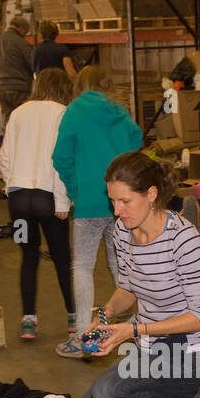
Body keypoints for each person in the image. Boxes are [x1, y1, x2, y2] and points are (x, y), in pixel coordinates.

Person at [64, 151, 200, 398]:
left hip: (190, 354)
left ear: (151, 194)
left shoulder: (182, 239)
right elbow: (128, 288)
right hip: (150, 346)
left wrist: (133, 331)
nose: (117, 211)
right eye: (113, 201)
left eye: (125, 201)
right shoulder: (123, 231)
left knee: (109, 393)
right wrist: (104, 316)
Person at [51, 66, 143, 358]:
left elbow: (60, 156)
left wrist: (75, 189)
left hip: (89, 202)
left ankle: (80, 337)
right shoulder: (119, 110)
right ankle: (131, 327)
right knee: (121, 264)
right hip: (121, 202)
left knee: (82, 266)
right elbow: (136, 142)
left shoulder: (74, 111)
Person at [0, 67, 75, 341]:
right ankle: (73, 317)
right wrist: (63, 199)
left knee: (28, 257)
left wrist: (11, 186)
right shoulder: (63, 113)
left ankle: (28, 321)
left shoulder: (17, 112)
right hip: (49, 199)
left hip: (18, 202)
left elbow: (4, 157)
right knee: (62, 259)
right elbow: (63, 160)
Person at [0, 16, 34, 122]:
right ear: (22, 29)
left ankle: (8, 138)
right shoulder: (21, 43)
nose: (25, 35)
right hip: (19, 88)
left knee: (8, 121)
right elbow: (31, 63)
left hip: (0, 87)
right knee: (24, 119)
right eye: (25, 32)